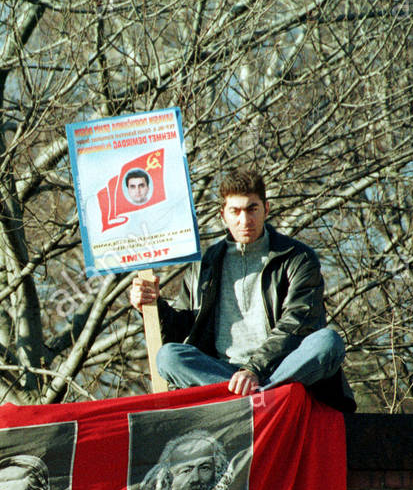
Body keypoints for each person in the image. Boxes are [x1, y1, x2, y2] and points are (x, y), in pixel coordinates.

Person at [129, 168, 354, 410]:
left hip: (281, 367)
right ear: (222, 215)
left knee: (328, 342)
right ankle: (262, 398)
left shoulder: (297, 257)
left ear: (266, 209)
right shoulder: (205, 265)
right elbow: (183, 331)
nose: (244, 220)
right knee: (168, 356)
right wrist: (152, 306)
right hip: (224, 374)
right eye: (235, 211)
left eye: (252, 209)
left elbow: (299, 322)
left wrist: (254, 370)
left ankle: (256, 396)